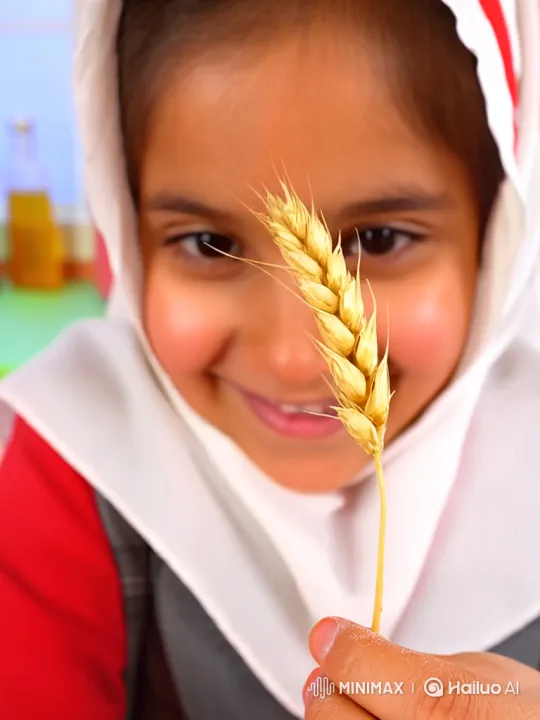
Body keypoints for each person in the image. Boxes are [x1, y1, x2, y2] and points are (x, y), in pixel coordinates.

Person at [0, 0, 539, 718]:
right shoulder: (67, 462)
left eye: (377, 239)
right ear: (126, 230)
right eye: (207, 244)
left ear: (498, 240)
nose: (291, 358)